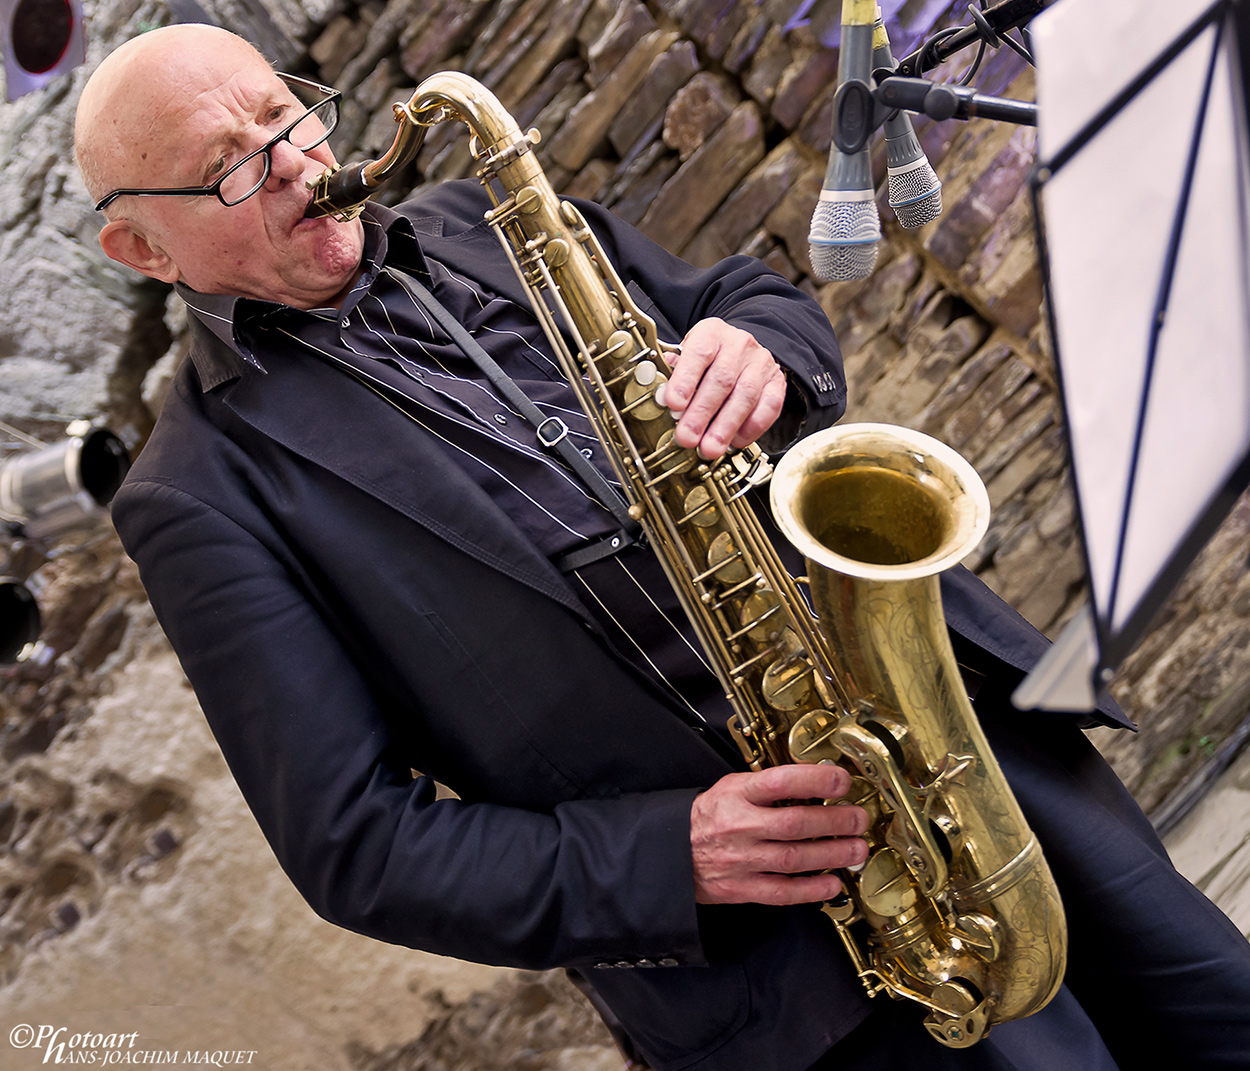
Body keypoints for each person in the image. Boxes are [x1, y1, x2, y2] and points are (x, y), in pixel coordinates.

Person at [74, 22, 1250, 1071]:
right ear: (143, 249)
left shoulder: (484, 219)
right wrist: (666, 858)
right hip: (800, 946)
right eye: (230, 167)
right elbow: (356, 846)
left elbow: (750, 295)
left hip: (967, 745)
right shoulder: (194, 496)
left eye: (284, 116)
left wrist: (758, 349)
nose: (293, 163)